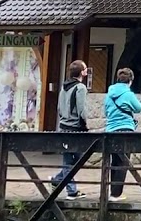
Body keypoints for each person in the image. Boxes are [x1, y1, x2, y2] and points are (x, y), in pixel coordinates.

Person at [104, 68, 141, 203]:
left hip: (110, 130)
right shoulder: (128, 94)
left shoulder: (109, 93)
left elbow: (106, 110)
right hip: (126, 129)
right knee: (123, 161)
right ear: (130, 81)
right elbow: (139, 108)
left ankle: (111, 192)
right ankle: (117, 194)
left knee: (114, 161)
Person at [51, 60, 89, 199]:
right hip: (75, 128)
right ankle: (71, 191)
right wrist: (85, 123)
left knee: (70, 159)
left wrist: (63, 118)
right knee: (77, 158)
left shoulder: (64, 87)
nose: (87, 70)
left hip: (64, 126)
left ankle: (57, 180)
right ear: (81, 72)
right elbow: (82, 109)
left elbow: (59, 108)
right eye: (85, 68)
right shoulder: (80, 88)